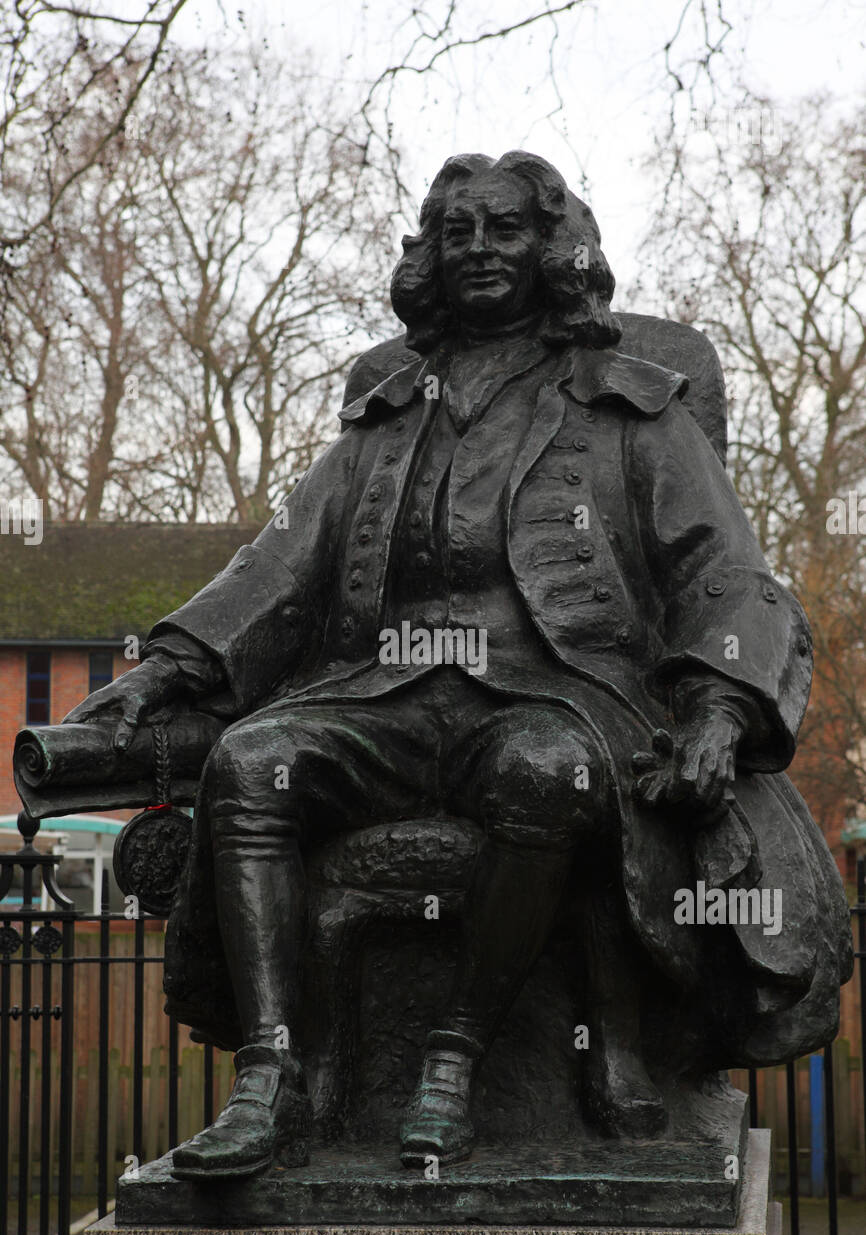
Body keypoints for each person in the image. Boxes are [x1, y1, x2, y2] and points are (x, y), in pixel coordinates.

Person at [64, 151, 852, 1179]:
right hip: (380, 696)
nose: (477, 249)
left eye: (504, 228)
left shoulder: (628, 400)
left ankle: (454, 1057)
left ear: (551, 247)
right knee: (252, 765)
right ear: (429, 254)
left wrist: (720, 706)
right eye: (455, 231)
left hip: (556, 697)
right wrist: (167, 661)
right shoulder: (388, 402)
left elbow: (721, 570)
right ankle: (273, 1074)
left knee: (542, 768)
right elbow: (281, 559)